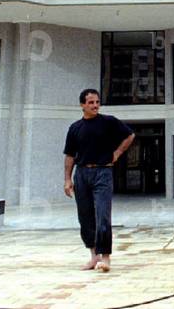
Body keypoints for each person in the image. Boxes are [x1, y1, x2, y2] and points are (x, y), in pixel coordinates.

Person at [63, 88, 135, 273]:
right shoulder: (75, 128)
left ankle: (105, 257)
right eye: (91, 102)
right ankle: (94, 256)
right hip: (82, 174)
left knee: (103, 214)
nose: (95, 105)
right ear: (82, 105)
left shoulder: (108, 122)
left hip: (103, 172)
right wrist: (67, 179)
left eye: (97, 102)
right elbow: (70, 155)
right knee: (85, 216)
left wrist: (117, 153)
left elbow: (130, 135)